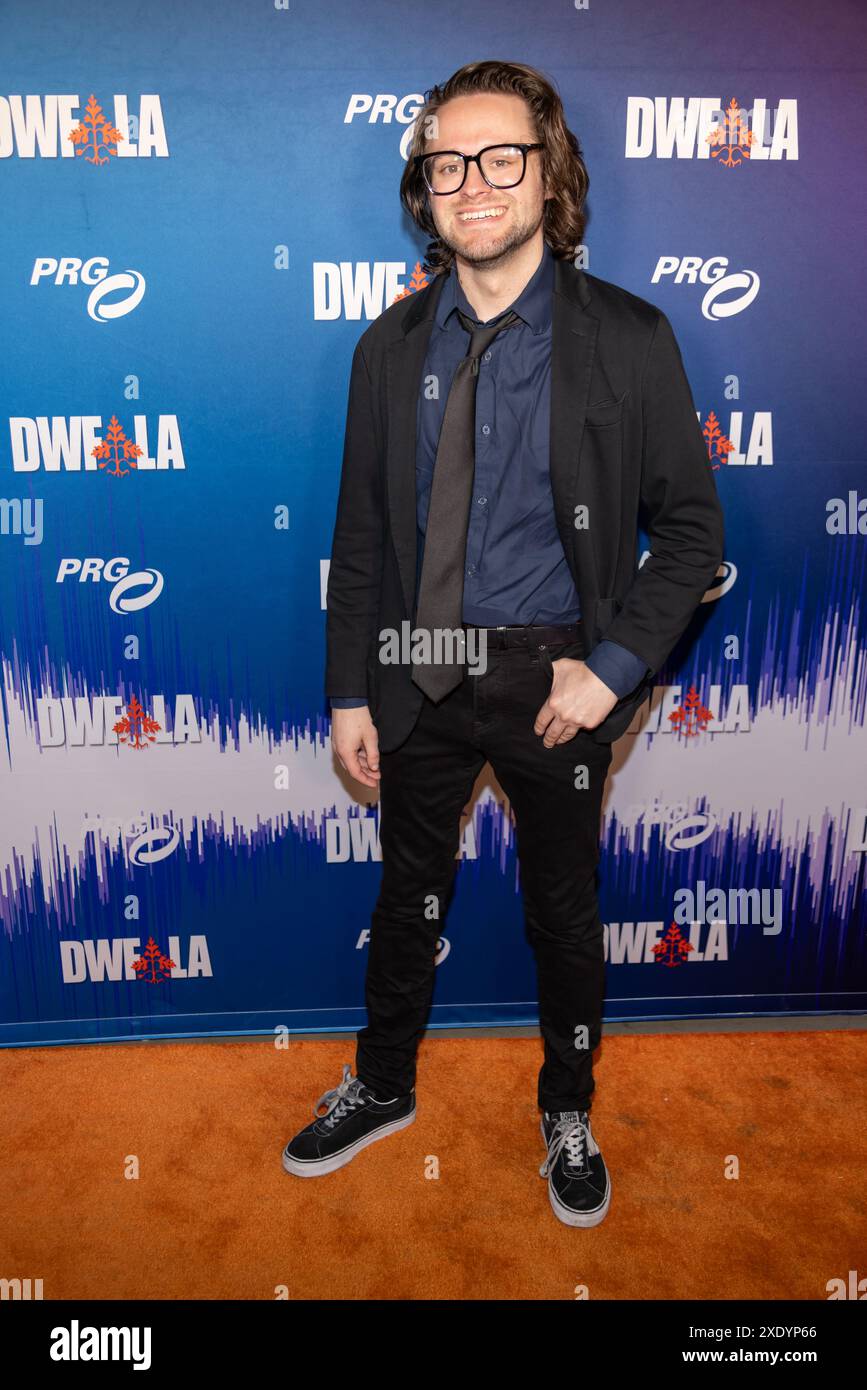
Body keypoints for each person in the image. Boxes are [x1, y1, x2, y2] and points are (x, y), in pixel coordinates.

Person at [283, 60, 724, 1227]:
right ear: (422, 191)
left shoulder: (628, 338)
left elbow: (690, 536)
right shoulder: (387, 350)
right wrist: (347, 692)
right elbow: (362, 537)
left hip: (554, 684)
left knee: (563, 911)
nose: (472, 182)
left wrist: (612, 671)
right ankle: (381, 1083)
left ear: (549, 172)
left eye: (499, 157)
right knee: (406, 890)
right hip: (413, 675)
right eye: (445, 163)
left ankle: (567, 1104)